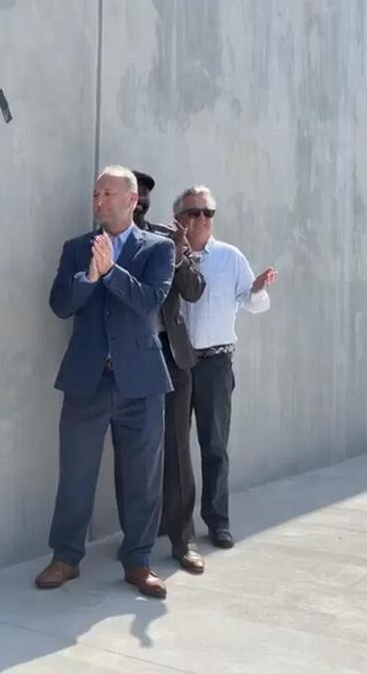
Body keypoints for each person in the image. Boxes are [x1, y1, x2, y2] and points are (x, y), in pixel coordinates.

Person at [35, 165, 174, 598]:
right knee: (75, 473)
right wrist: (91, 276)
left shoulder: (159, 249)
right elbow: (60, 304)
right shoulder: (77, 249)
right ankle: (65, 557)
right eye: (96, 194)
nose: (100, 202)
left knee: (141, 477)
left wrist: (111, 272)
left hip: (141, 383)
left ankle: (138, 561)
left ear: (132, 200)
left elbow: (149, 301)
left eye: (109, 194)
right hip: (87, 381)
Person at [173, 185, 276, 549]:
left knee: (214, 444)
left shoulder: (230, 258)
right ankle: (176, 522)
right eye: (193, 212)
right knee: (175, 447)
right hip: (177, 365)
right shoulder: (169, 256)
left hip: (216, 363)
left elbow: (253, 304)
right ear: (179, 218)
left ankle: (218, 521)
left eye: (207, 212)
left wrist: (258, 289)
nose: (200, 218)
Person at [129, 170, 207, 574]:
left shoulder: (167, 237)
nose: (139, 201)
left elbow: (194, 290)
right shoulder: (109, 240)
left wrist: (179, 256)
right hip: (131, 360)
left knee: (177, 450)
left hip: (173, 357)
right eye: (133, 194)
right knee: (136, 452)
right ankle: (136, 540)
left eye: (144, 196)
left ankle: (183, 539)